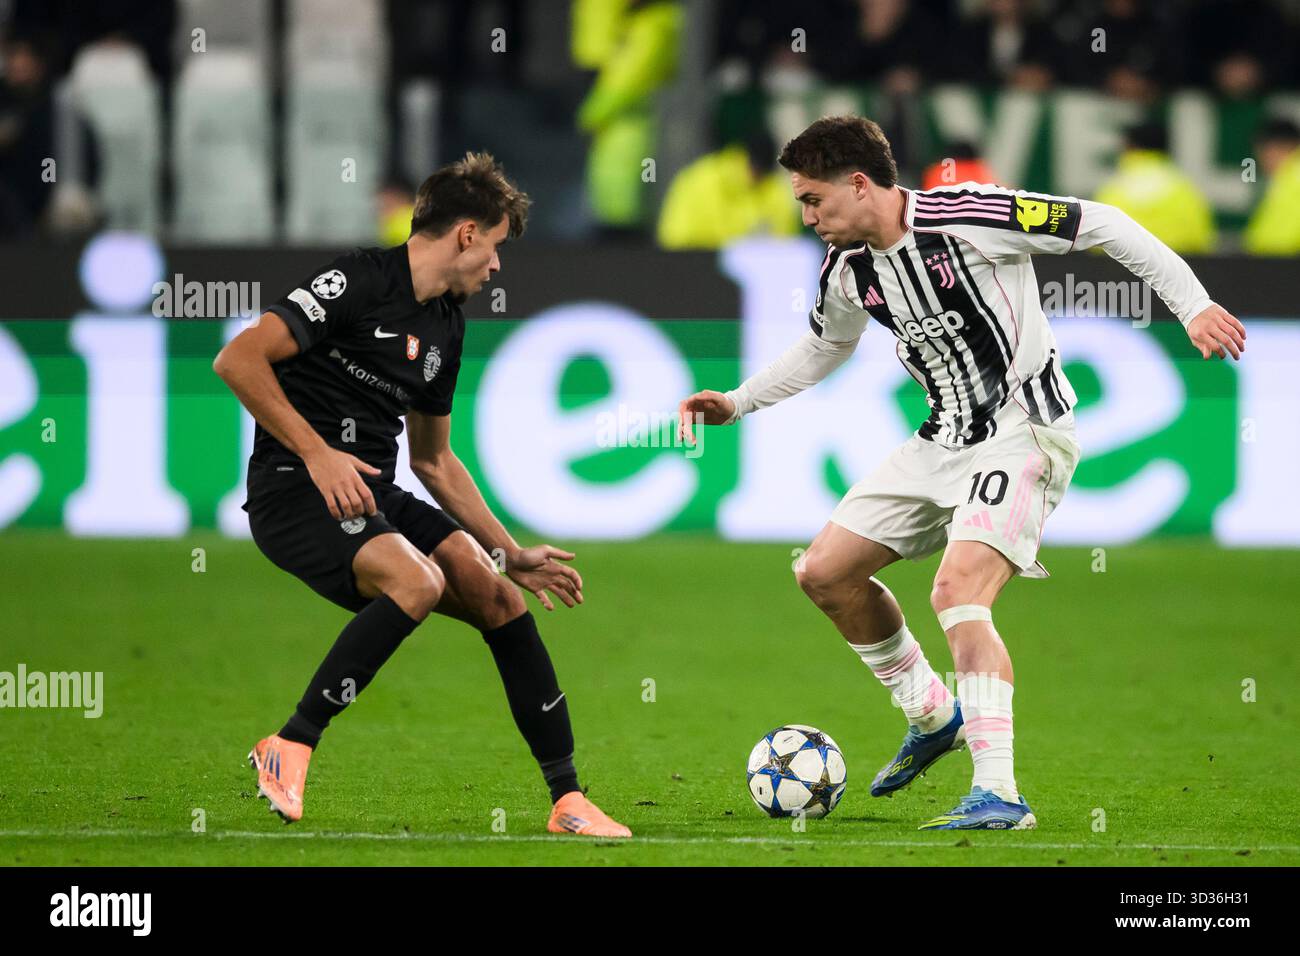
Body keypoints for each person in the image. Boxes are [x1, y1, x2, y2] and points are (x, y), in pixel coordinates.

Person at [677, 116, 1244, 830]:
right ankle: (930, 713)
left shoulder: (971, 214)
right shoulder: (848, 268)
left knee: (957, 588)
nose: (807, 216)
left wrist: (1192, 306)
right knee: (824, 572)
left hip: (1025, 429)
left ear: (859, 184)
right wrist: (737, 401)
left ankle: (999, 791)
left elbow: (1104, 223)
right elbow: (826, 347)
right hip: (942, 438)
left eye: (814, 199)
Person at [213, 152, 631, 837]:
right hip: (294, 491)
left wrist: (509, 552)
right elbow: (238, 358)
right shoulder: (357, 280)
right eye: (495, 247)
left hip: (372, 493)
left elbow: (433, 461)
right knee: (418, 580)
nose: (496, 267)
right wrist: (317, 454)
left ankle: (568, 800)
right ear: (466, 234)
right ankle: (289, 744)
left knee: (495, 592)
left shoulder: (446, 325)